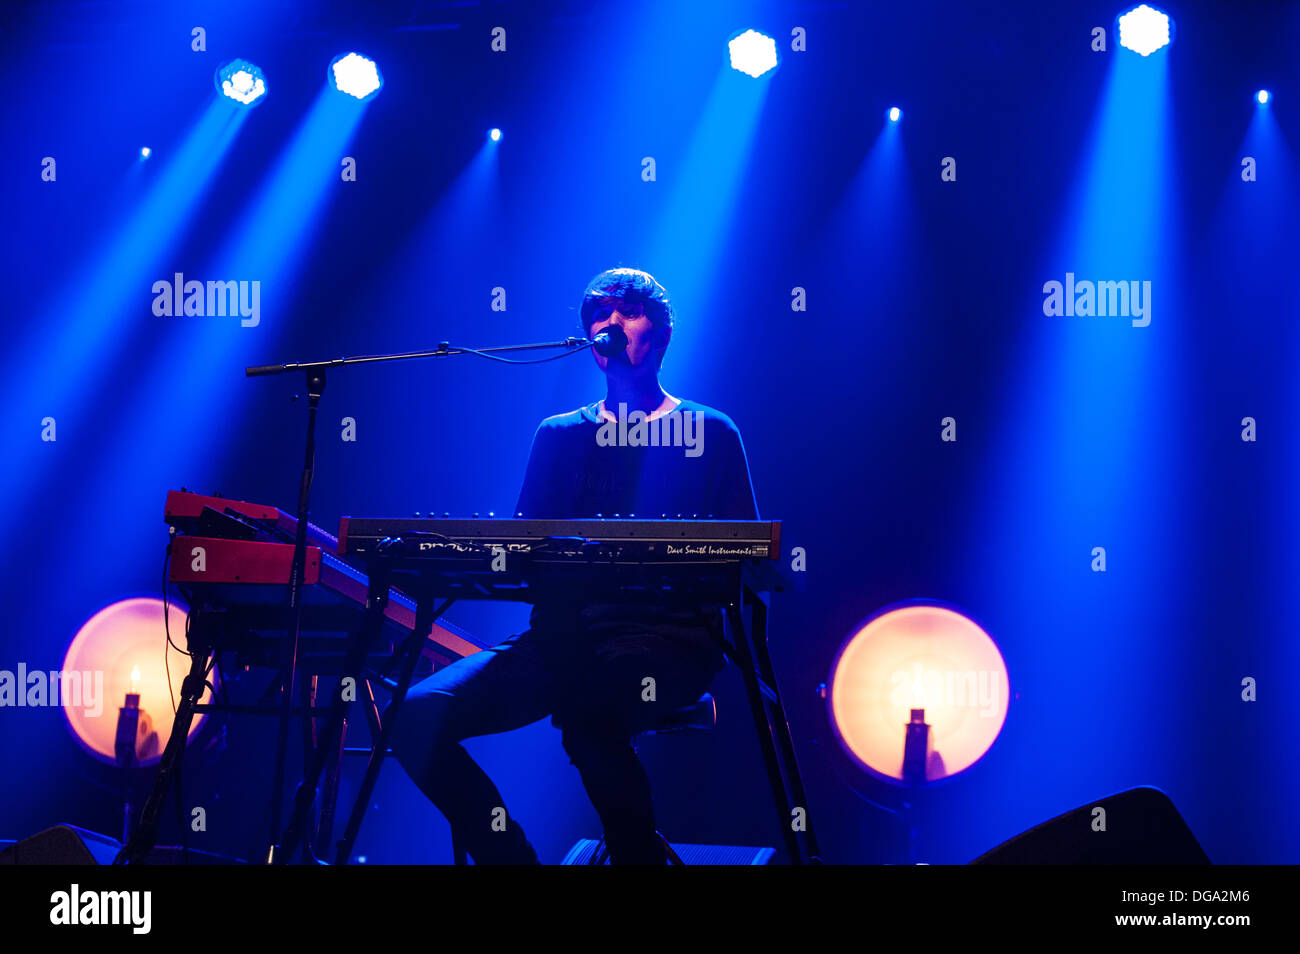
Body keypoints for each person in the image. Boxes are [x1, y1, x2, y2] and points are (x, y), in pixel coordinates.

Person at [390, 267, 758, 864]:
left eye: (627, 311)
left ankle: (637, 858)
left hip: (667, 641)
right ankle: (512, 860)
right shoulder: (559, 435)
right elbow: (525, 550)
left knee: (591, 717)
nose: (609, 323)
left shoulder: (711, 433)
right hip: (563, 641)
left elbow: (746, 555)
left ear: (660, 335)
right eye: (598, 314)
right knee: (415, 716)